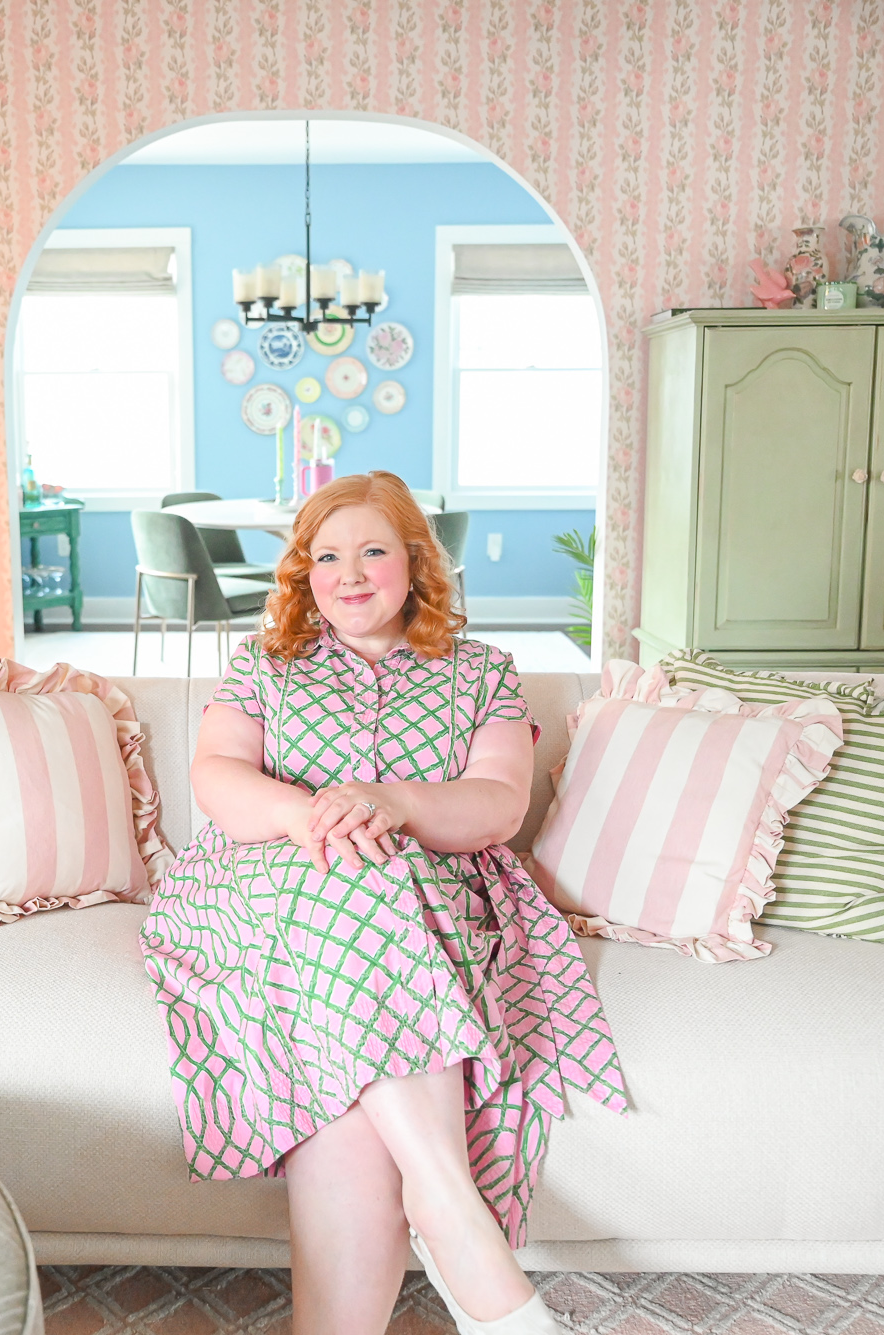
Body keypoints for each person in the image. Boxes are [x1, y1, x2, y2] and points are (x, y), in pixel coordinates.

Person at [141, 472, 628, 1335]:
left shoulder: (481, 671)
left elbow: (499, 801)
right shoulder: (264, 663)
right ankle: (451, 1210)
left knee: (346, 1097)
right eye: (327, 556)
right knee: (351, 873)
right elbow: (216, 774)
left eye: (372, 551)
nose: (349, 574)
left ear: (414, 560)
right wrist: (311, 818)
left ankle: (422, 1242)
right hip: (262, 898)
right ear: (304, 571)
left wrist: (393, 801)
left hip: (428, 906)